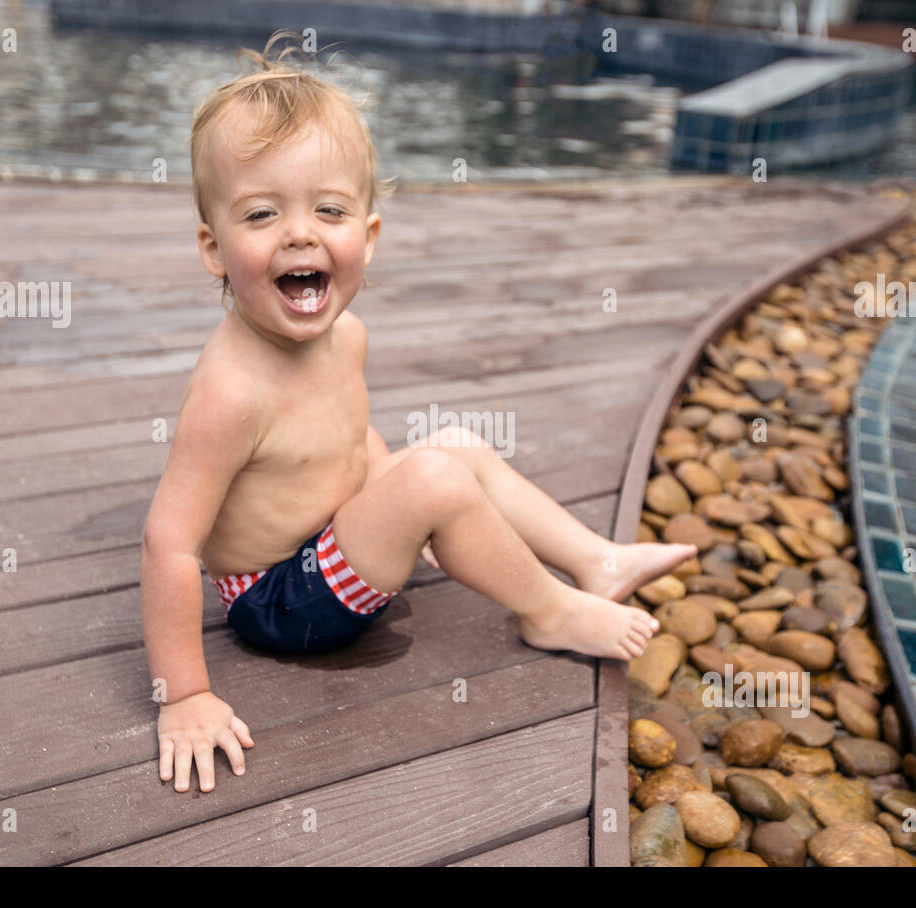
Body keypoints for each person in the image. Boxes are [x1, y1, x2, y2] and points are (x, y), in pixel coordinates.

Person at [140, 32, 697, 794]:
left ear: (366, 239)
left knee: (456, 449)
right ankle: (548, 611)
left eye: (328, 209)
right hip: (279, 600)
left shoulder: (346, 335)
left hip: (328, 542)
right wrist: (186, 695)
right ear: (214, 248)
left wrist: (394, 515)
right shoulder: (230, 390)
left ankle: (593, 559)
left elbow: (350, 435)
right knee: (435, 479)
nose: (300, 232)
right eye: (262, 214)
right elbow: (170, 544)